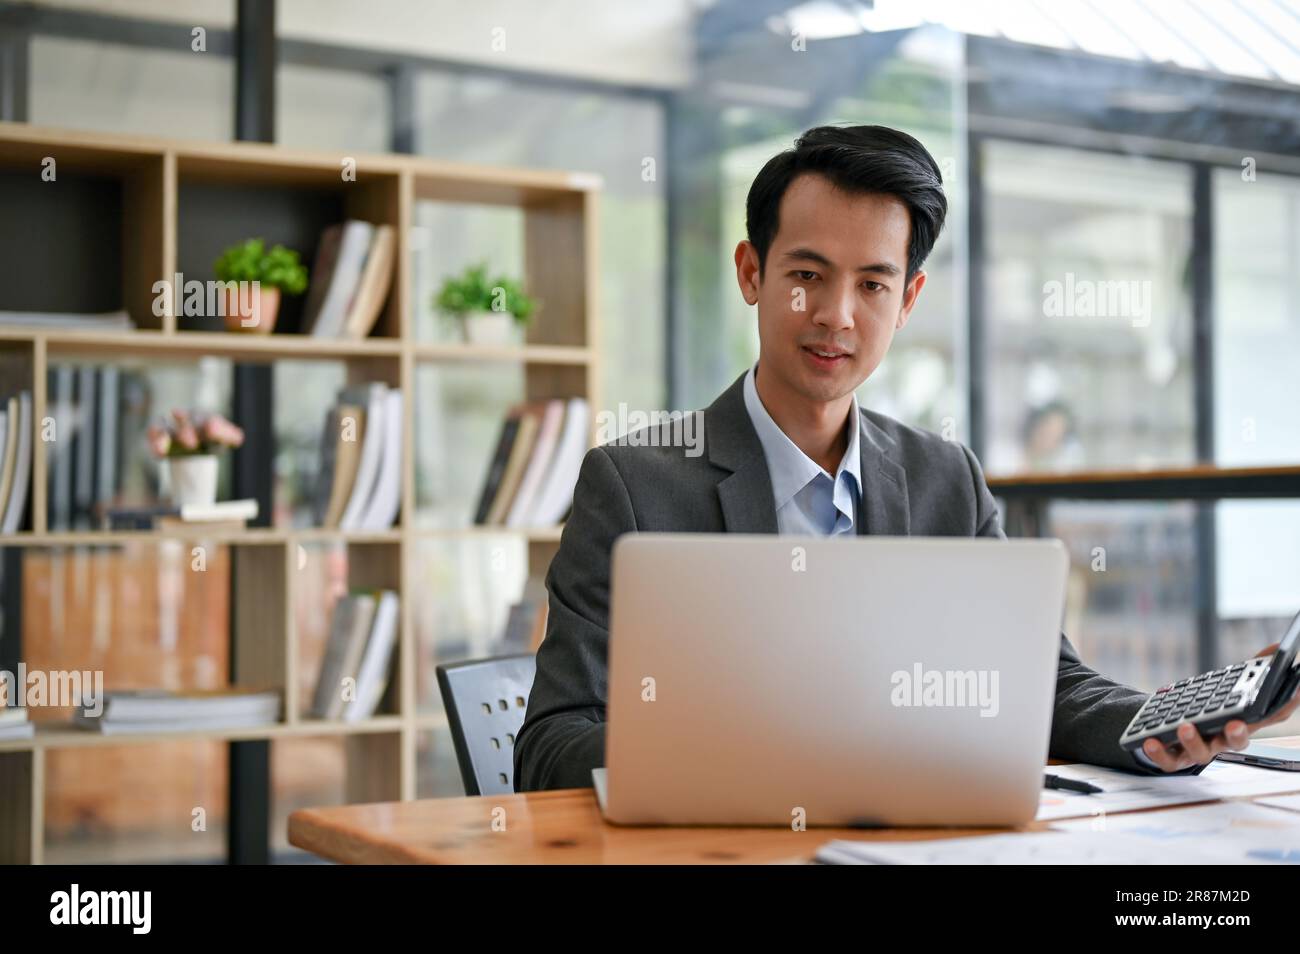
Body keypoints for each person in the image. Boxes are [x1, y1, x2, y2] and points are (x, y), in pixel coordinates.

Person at [514, 124, 1298, 792]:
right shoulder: (633, 482)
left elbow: (1042, 682)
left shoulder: (945, 479)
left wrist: (1163, 722)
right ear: (753, 273)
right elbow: (551, 746)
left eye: (873, 285)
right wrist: (751, 749)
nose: (835, 315)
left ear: (909, 300)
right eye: (807, 276)